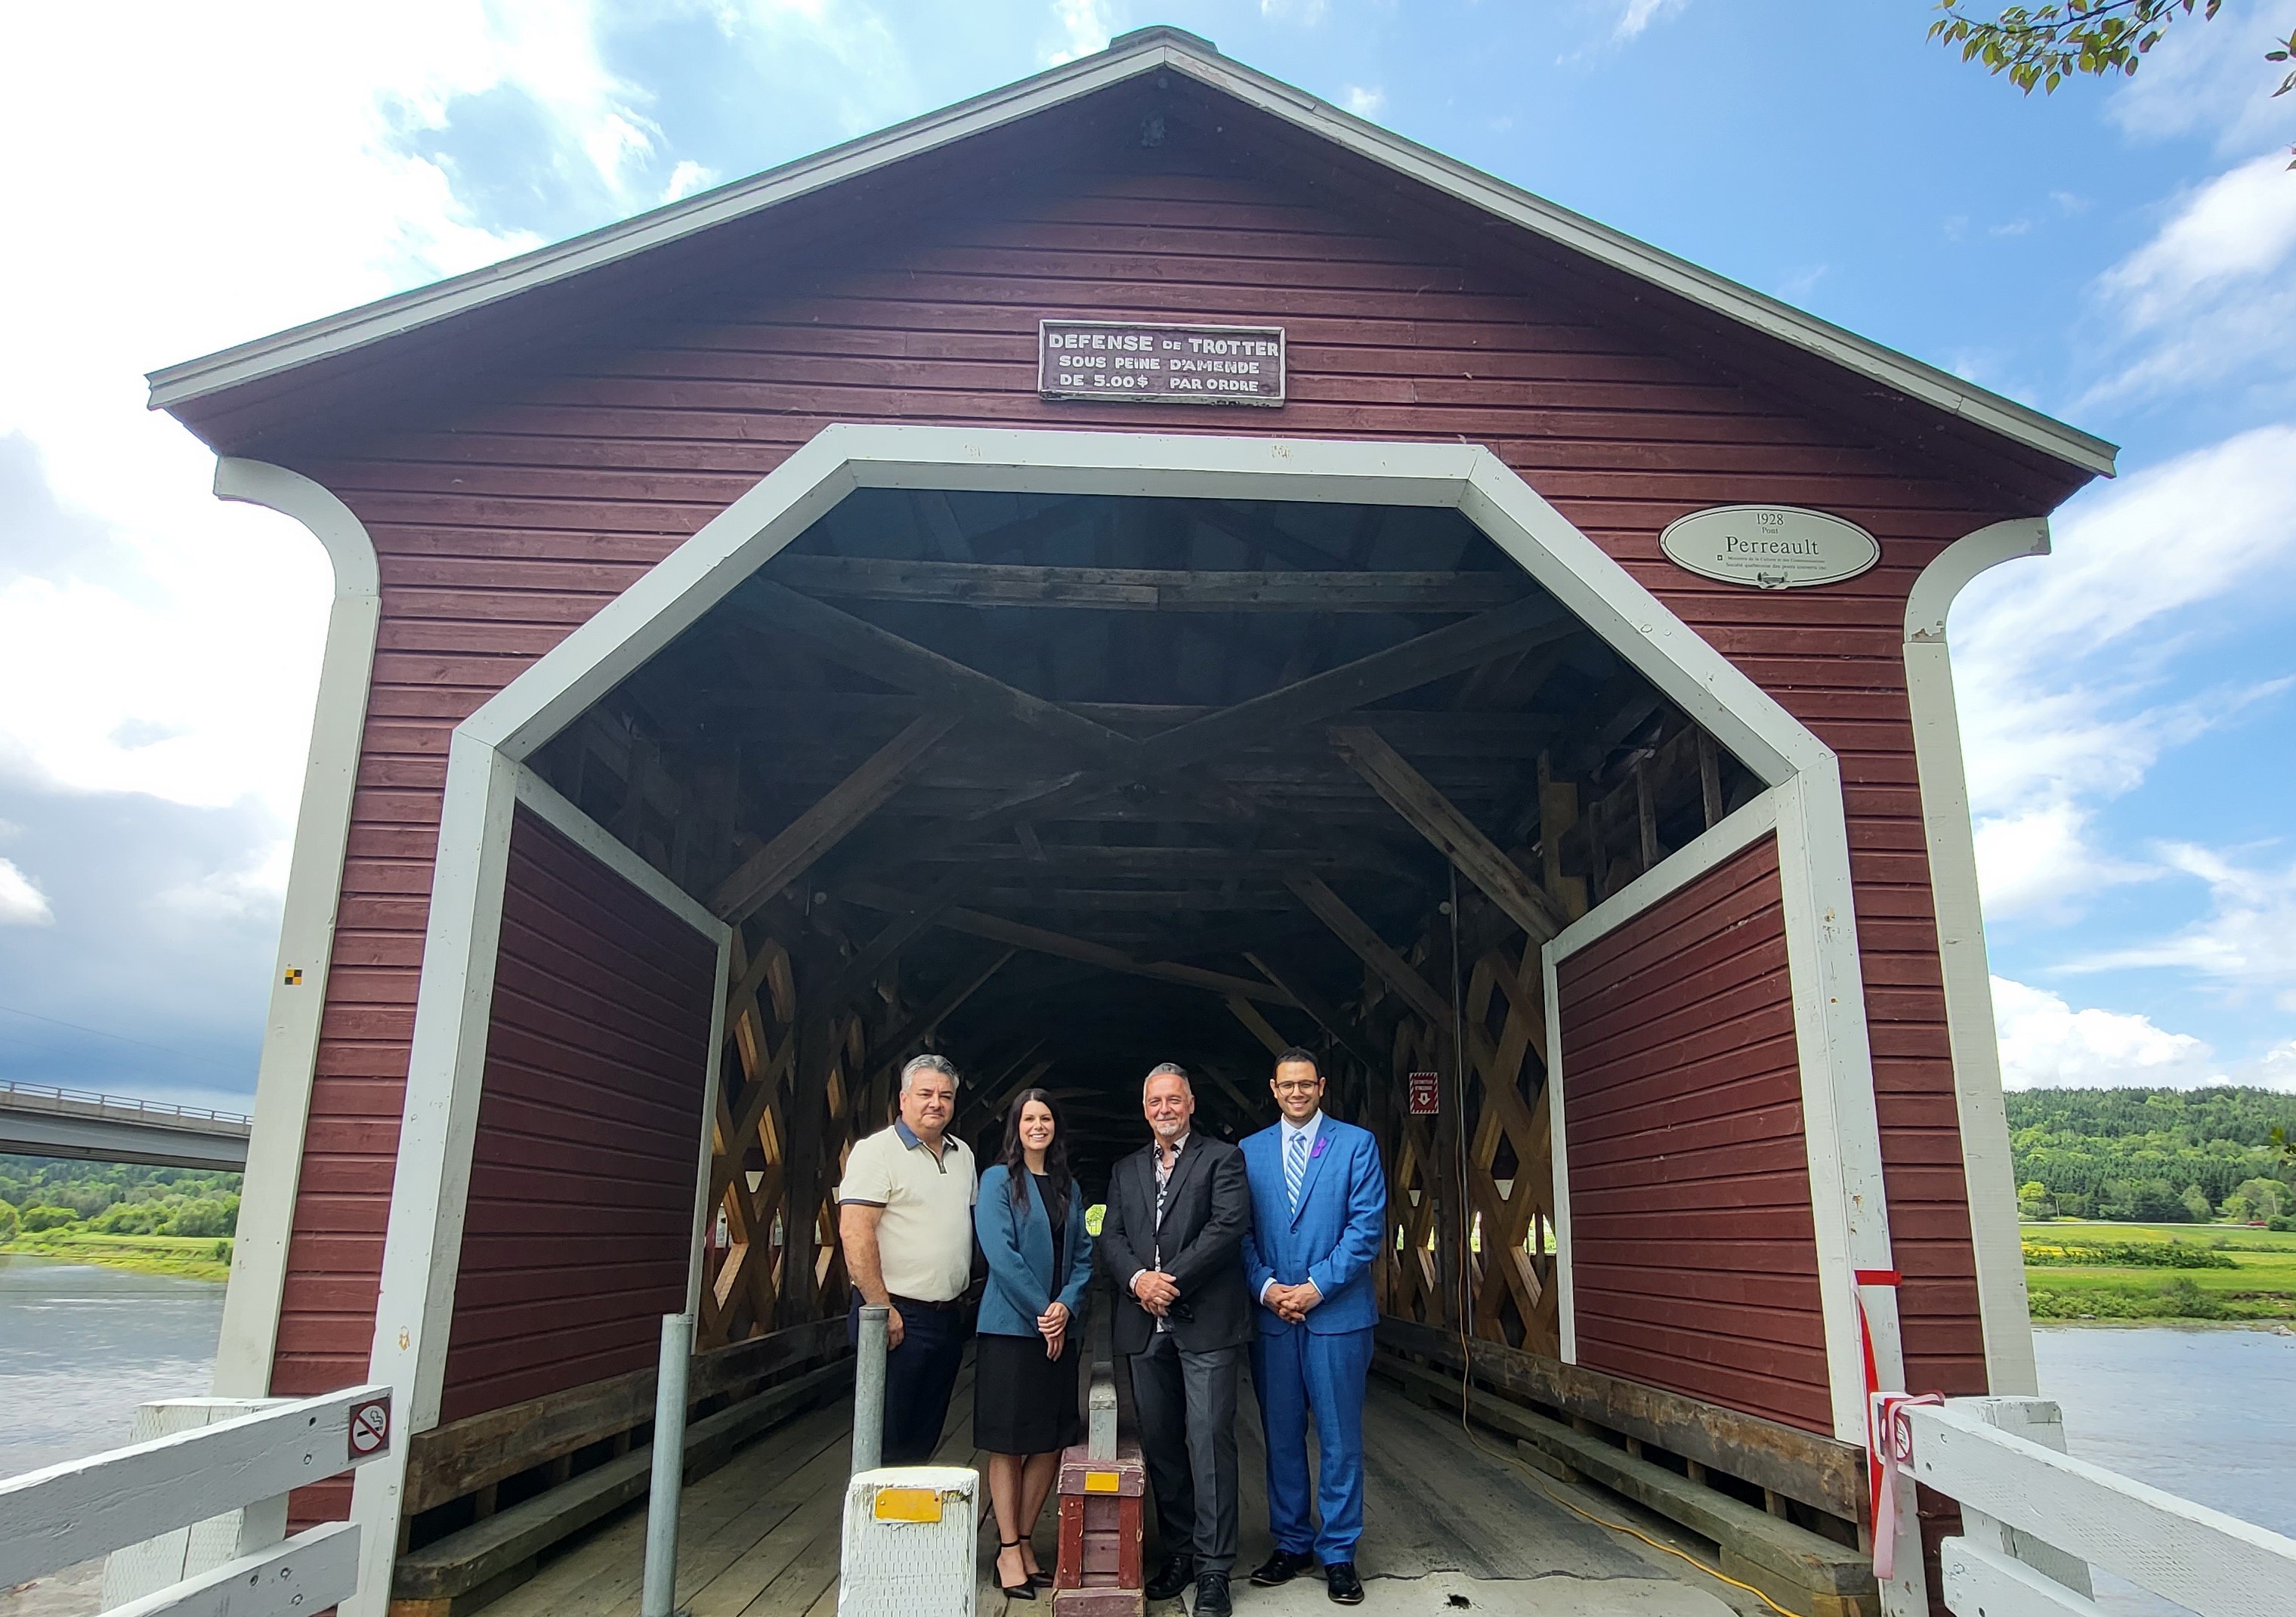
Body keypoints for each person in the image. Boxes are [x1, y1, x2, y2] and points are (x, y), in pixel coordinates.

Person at [1095, 1062, 1253, 1617]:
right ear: (1145, 1110)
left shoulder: (1222, 1159)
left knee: (1209, 1442)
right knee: (1161, 1444)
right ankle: (1181, 1552)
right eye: (1155, 1102)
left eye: (1174, 1100)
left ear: (1190, 1104)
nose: (1164, 1109)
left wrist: (1171, 1281)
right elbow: (1110, 1235)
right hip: (1144, 1323)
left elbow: (1228, 1227)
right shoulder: (1124, 1169)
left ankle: (1213, 1569)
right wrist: (1140, 1280)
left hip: (1204, 1319)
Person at [1239, 1047, 1386, 1606]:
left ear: (1321, 1086)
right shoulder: (1248, 1152)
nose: (1296, 1093)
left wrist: (1316, 1287)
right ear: (1272, 1089)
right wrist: (1268, 1288)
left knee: (1340, 1439)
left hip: (1337, 1316)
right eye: (1286, 1085)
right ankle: (1292, 1541)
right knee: (1280, 1437)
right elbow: (1239, 1232)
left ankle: (1339, 1552)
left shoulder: (1355, 1145)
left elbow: (1366, 1227)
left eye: (1305, 1084)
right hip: (1273, 1316)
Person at [973, 1088, 1095, 1601]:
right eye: (1029, 1118)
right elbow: (999, 1254)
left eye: (1046, 1118)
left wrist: (1064, 1307)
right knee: (1007, 1440)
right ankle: (1005, 1548)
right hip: (1010, 1330)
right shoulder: (998, 1180)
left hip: (1058, 1330)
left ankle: (1024, 1542)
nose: (1037, 1126)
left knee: (1049, 1439)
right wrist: (1043, 1313)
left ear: (1055, 1128)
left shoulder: (1072, 1188)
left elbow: (1086, 1256)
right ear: (1015, 1127)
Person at [836, 1052, 976, 1464]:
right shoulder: (875, 1152)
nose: (936, 1103)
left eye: (946, 1096)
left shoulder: (963, 1154)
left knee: (924, 1436)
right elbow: (854, 1231)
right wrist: (882, 1308)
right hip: (897, 1315)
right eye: (926, 1093)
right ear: (903, 1099)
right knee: (885, 1437)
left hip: (947, 1316)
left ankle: (908, 1526)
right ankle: (876, 1528)